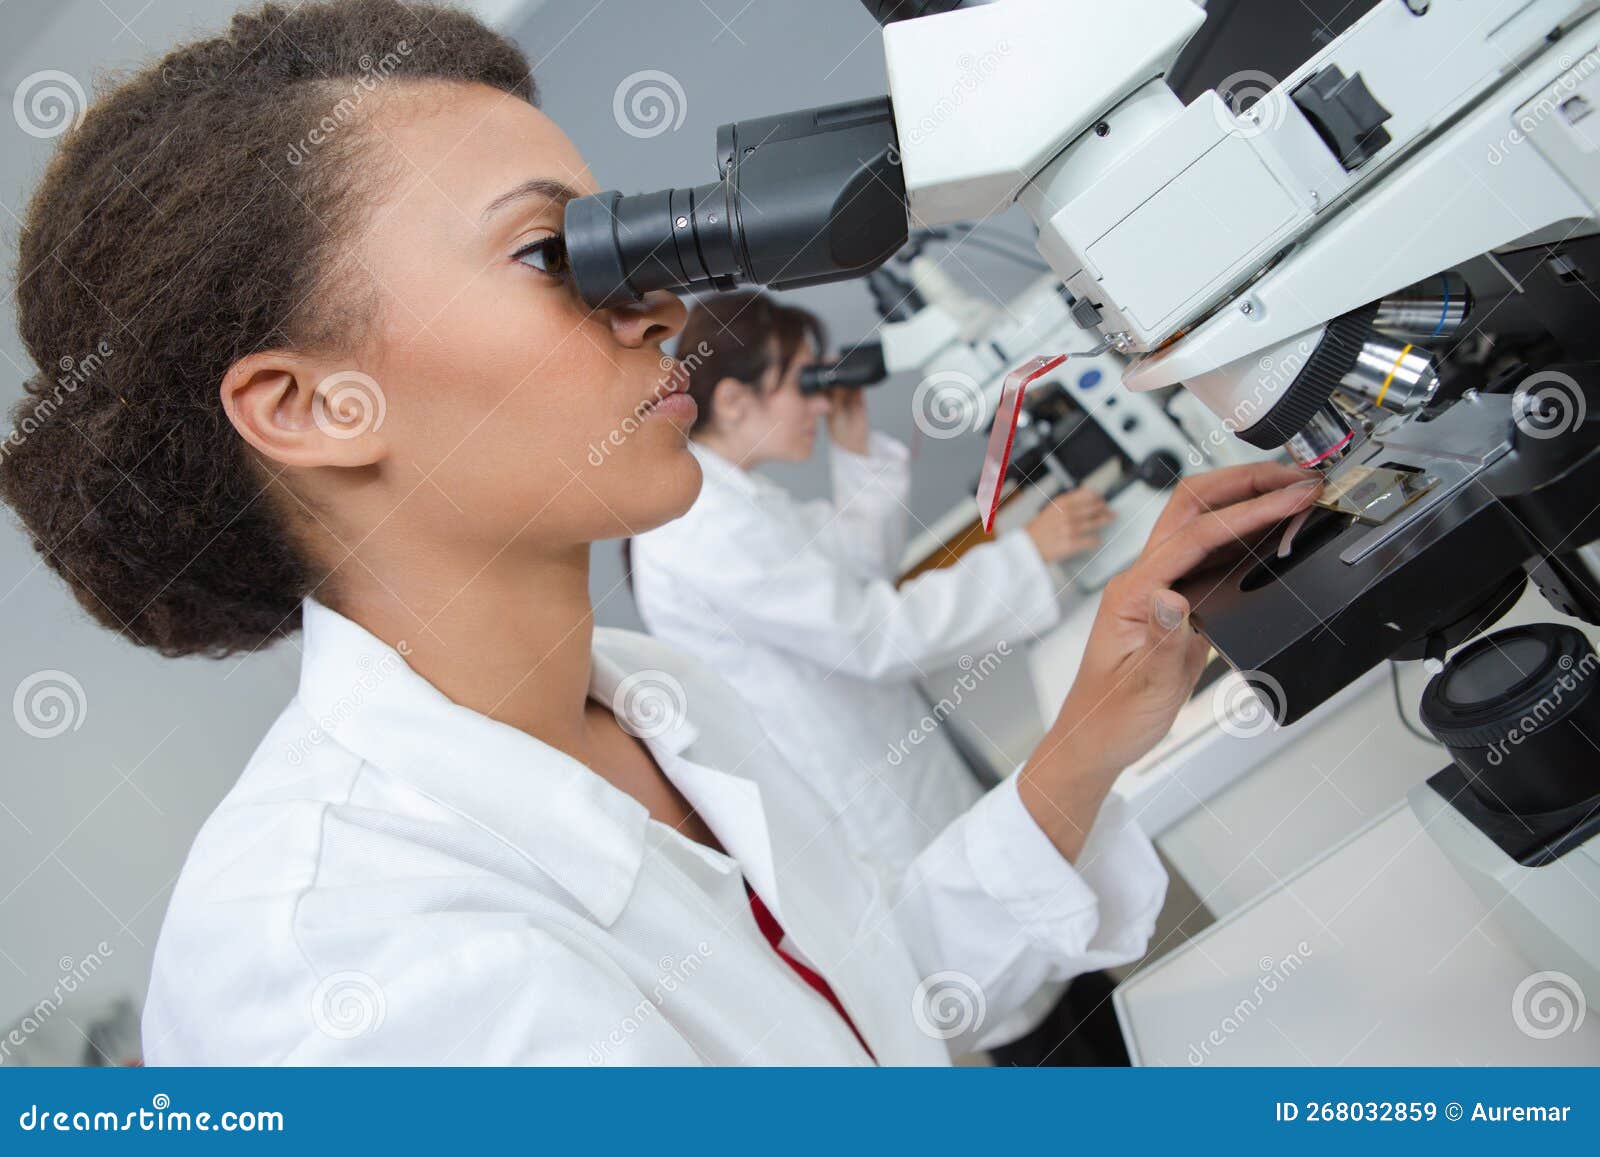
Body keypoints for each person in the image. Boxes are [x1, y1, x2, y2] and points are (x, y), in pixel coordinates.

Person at [0, 0, 1323, 1065]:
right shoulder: (357, 973)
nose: (655, 304)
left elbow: (873, 1013)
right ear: (304, 406)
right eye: (548, 252)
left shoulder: (654, 704)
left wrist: (1098, 715)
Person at [631, 290, 1114, 880]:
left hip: (894, 761)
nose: (817, 403)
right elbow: (872, 636)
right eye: (802, 382)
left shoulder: (747, 503)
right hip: (867, 808)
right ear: (734, 400)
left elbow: (856, 580)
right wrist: (1027, 556)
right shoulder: (702, 523)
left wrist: (857, 451)